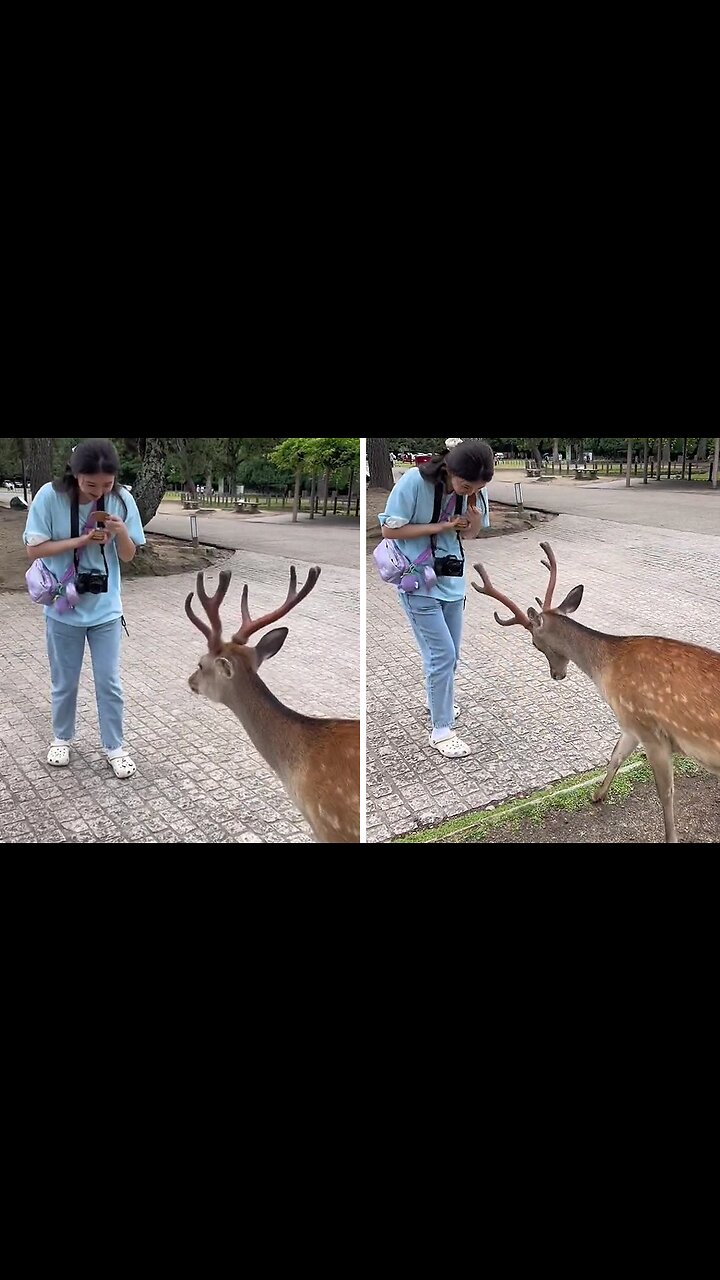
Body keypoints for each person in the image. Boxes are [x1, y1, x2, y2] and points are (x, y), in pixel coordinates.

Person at [23, 439, 145, 777]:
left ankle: (115, 747)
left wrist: (119, 532)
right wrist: (81, 540)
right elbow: (34, 550)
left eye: (106, 484)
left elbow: (129, 555)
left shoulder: (122, 499)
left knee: (109, 682)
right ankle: (61, 737)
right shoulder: (50, 496)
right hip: (63, 605)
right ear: (75, 475)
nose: (98, 491)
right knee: (65, 681)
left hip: (106, 609)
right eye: (91, 484)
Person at [379, 440, 494, 757]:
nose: (469, 491)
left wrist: (471, 521)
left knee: (450, 656)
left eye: (477, 488)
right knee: (441, 656)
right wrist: (442, 525)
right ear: (449, 469)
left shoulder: (473, 490)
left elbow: (471, 535)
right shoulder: (414, 482)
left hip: (452, 583)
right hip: (418, 583)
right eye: (465, 485)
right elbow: (389, 531)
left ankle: (437, 703)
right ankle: (441, 730)